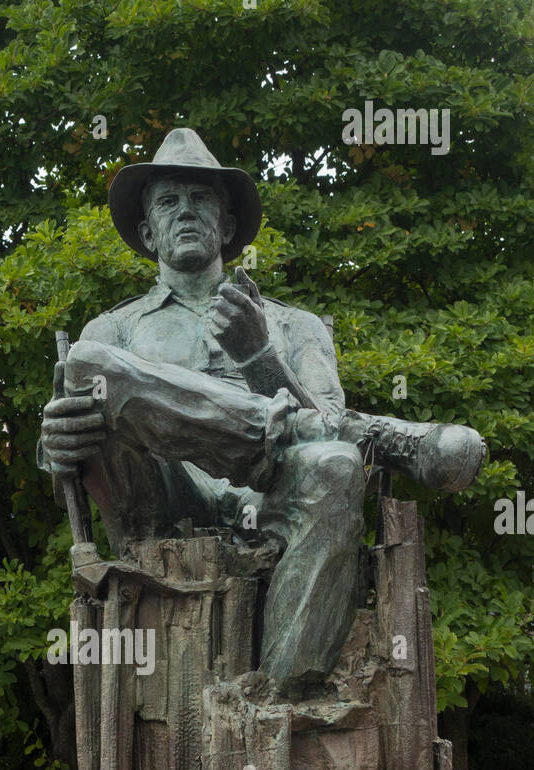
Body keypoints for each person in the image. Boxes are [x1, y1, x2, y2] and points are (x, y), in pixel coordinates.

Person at [39, 127, 485, 694]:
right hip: (161, 497)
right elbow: (69, 455)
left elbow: (327, 438)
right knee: (88, 366)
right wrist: (56, 444)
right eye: (169, 201)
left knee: (337, 464)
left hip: (268, 500)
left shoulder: (292, 324)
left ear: (226, 226)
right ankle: (344, 435)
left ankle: (283, 693)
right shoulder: (115, 328)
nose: (186, 212)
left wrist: (258, 356)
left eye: (201, 199)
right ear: (148, 231)